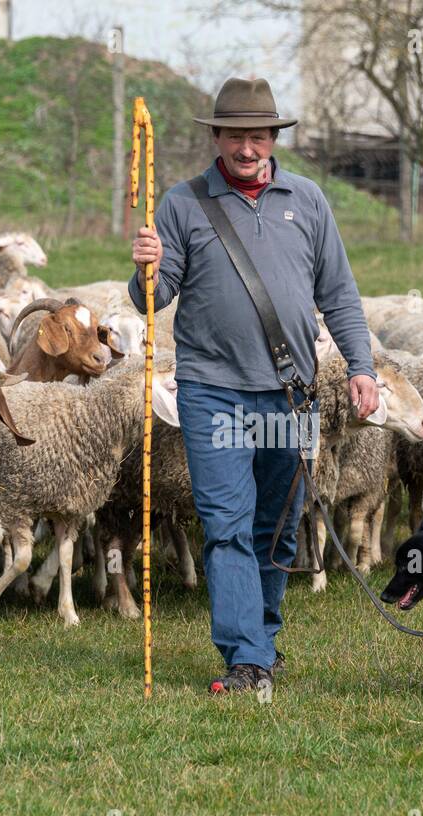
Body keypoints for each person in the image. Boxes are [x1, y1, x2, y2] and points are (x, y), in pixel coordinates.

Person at [130, 77, 378, 695]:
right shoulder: (184, 204)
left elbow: (339, 294)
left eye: (259, 135)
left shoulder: (309, 200)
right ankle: (245, 657)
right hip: (213, 389)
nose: (248, 147)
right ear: (217, 137)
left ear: (273, 139)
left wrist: (362, 367)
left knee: (278, 526)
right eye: (236, 135)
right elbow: (154, 298)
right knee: (226, 522)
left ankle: (262, 637)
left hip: (291, 392)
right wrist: (145, 269)